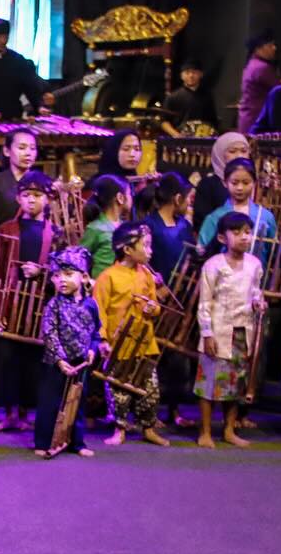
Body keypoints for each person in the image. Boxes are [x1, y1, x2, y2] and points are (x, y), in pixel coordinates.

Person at [0, 170, 60, 432]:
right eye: (26, 195)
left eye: (37, 195)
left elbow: (61, 269)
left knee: (33, 359)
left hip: (39, 306)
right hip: (10, 301)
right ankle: (9, 414)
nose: (31, 200)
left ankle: (26, 414)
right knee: (7, 358)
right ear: (18, 198)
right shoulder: (7, 229)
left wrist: (42, 272)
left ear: (48, 199)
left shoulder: (55, 233)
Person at [94, 222, 170, 447]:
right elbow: (99, 311)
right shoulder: (107, 277)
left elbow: (155, 306)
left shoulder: (146, 275)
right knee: (118, 391)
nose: (150, 251)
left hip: (144, 343)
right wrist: (103, 339)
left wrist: (151, 308)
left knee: (150, 388)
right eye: (145, 246)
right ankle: (120, 429)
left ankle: (148, 427)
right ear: (127, 249)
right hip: (119, 345)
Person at [195, 211, 265, 448]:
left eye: (247, 232)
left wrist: (258, 301)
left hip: (242, 331)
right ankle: (205, 431)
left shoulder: (254, 264)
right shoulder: (214, 265)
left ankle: (228, 429)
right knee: (209, 383)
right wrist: (207, 333)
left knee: (235, 384)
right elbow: (205, 302)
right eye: (237, 232)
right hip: (218, 331)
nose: (244, 237)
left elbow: (255, 290)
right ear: (223, 238)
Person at [33, 247, 104, 458]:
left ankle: (76, 442)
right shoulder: (54, 304)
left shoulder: (91, 305)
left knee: (77, 402)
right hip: (57, 364)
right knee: (50, 402)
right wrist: (60, 360)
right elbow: (49, 333)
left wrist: (92, 350)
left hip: (80, 363)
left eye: (68, 274)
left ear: (83, 277)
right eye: (57, 275)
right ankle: (43, 441)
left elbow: (96, 333)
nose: (61, 280)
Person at [145, 172, 199, 430]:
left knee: (178, 358)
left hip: (181, 300)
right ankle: (150, 410)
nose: (190, 203)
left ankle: (175, 409)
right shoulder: (149, 226)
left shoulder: (185, 226)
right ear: (177, 198)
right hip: (157, 297)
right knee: (154, 357)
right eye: (188, 198)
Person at [197, 158, 278, 260]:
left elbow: (274, 252)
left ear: (254, 183)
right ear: (225, 183)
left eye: (245, 182)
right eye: (234, 183)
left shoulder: (266, 216)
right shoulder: (214, 217)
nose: (240, 188)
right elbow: (201, 250)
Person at [0, 126, 40, 227]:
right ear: (7, 151)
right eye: (22, 148)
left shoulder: (42, 182)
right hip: (3, 240)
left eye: (32, 148)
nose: (28, 153)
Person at [192, 132, 251, 228]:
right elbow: (202, 222)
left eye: (244, 151)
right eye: (232, 151)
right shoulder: (208, 184)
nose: (239, 156)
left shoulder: (253, 183)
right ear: (220, 154)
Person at [80, 175, 132, 277]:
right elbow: (79, 260)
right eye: (130, 194)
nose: (131, 198)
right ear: (120, 198)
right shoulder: (95, 229)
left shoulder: (125, 227)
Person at [237, 32, 281, 133]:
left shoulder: (252, 64)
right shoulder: (261, 68)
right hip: (256, 122)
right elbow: (280, 88)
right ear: (259, 49)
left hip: (248, 120)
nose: (274, 48)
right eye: (270, 45)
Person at [162, 59, 218, 134]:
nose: (191, 75)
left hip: (202, 137)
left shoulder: (207, 96)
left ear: (201, 74)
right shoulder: (173, 97)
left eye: (194, 72)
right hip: (181, 138)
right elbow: (164, 122)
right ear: (181, 76)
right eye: (187, 73)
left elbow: (212, 121)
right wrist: (176, 135)